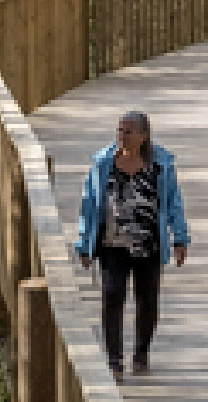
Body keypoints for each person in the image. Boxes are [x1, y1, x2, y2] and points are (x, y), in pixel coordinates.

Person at [74, 110, 190, 378]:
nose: (121, 136)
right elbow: (89, 204)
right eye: (119, 130)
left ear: (143, 136)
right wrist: (83, 244)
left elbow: (173, 203)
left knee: (147, 301)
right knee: (112, 296)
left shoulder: (160, 165)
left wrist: (180, 238)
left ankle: (141, 354)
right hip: (111, 243)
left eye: (128, 131)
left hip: (149, 243)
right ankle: (114, 361)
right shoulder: (103, 162)